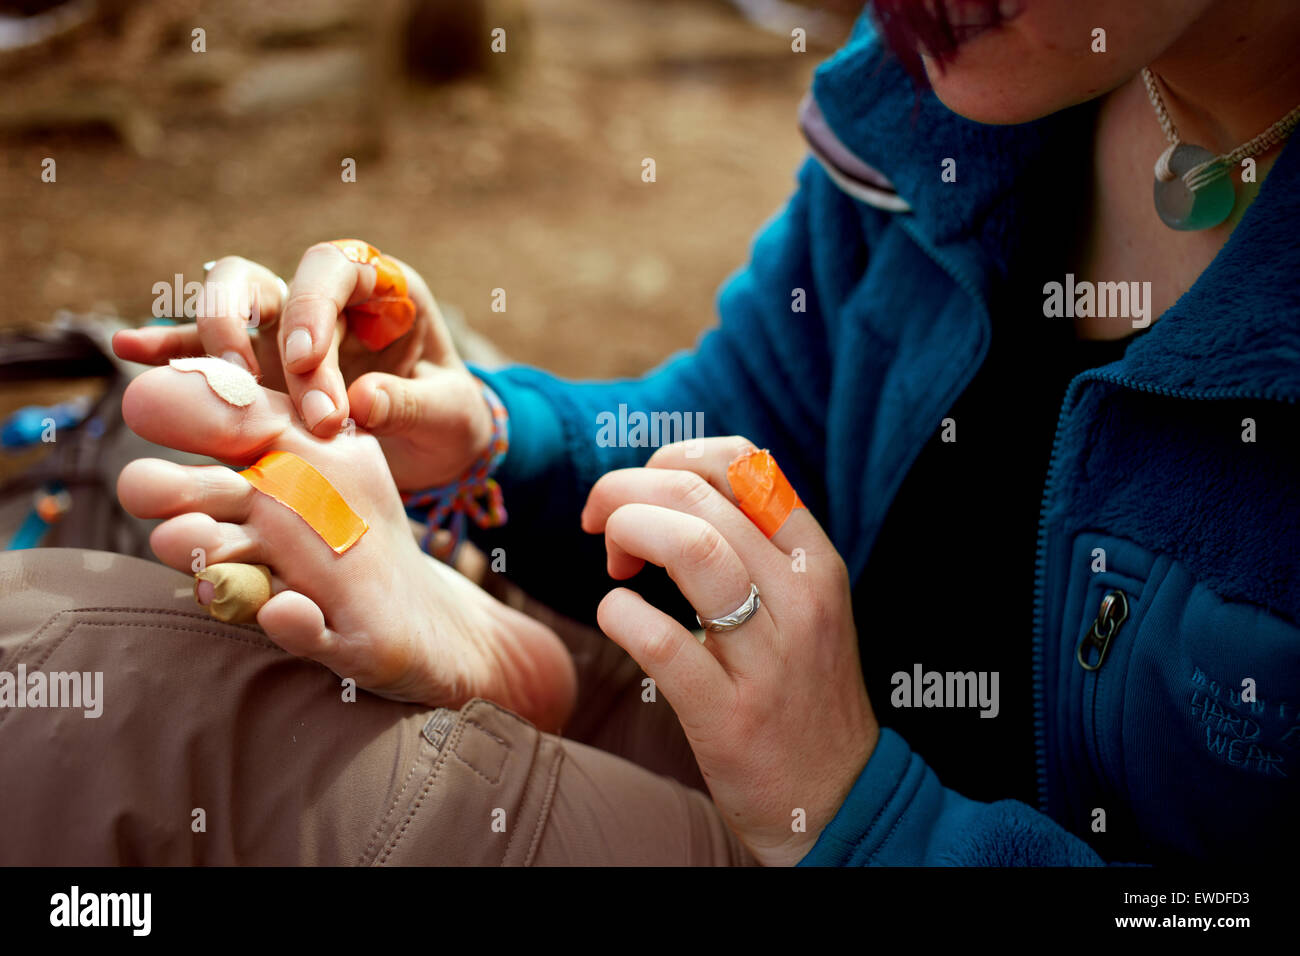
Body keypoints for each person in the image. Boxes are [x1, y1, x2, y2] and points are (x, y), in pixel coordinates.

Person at [3, 0, 1298, 865]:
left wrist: (862, 814)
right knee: (152, 455)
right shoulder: (951, 106)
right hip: (787, 771)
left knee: (75, 686)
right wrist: (493, 446)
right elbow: (751, 423)